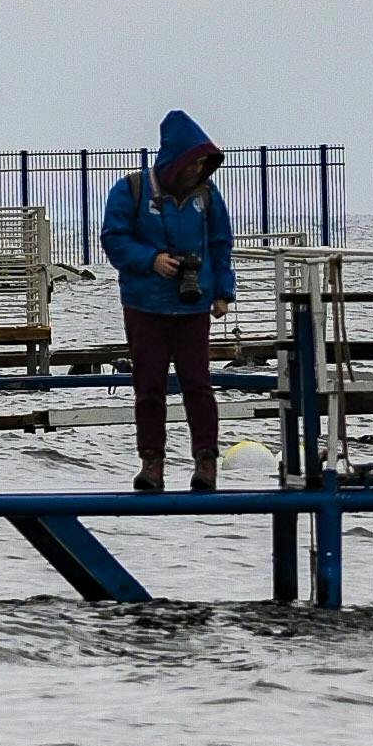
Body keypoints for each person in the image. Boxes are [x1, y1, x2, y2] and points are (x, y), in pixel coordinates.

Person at [99, 114, 236, 490]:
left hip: (193, 307)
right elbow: (113, 237)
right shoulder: (132, 190)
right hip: (145, 305)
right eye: (191, 162)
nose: (196, 170)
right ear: (174, 159)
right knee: (149, 387)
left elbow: (221, 244)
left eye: (201, 164)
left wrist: (223, 290)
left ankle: (206, 463)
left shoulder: (208, 197)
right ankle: (151, 464)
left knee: (198, 386)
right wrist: (151, 260)